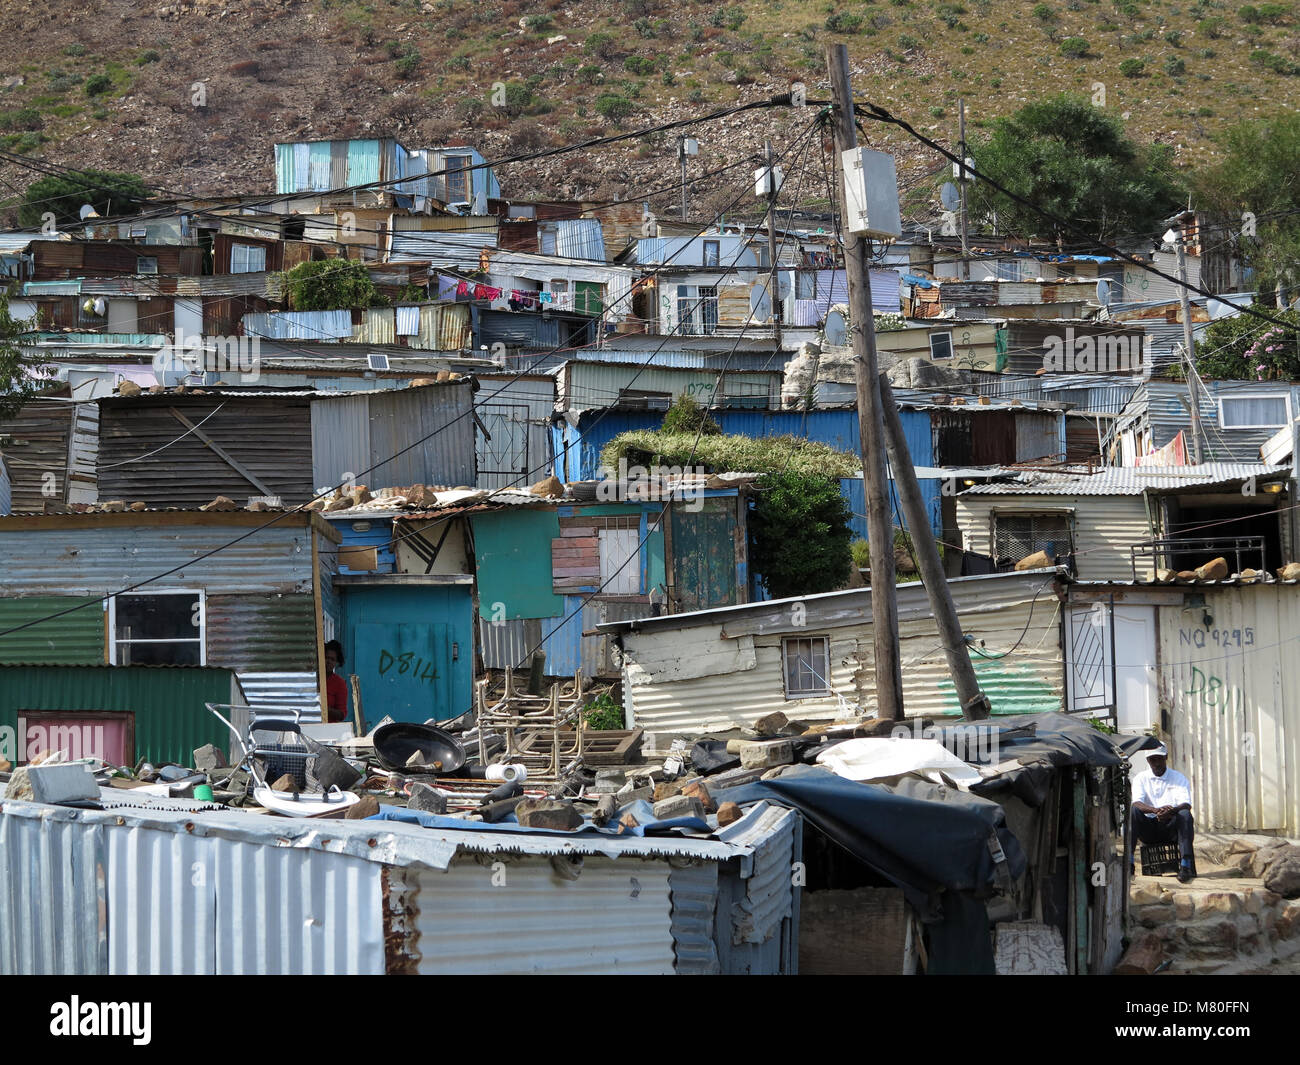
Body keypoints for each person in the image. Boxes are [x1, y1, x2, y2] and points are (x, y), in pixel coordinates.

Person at [1127, 744, 1195, 882]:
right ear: (1148, 761)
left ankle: (1186, 866)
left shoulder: (1178, 777)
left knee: (1185, 815)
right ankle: (1129, 862)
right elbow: (1137, 803)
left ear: (1166, 757)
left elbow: (1186, 804)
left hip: (1170, 828)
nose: (1156, 763)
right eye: (1153, 760)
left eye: (1159, 759)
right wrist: (1155, 810)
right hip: (1149, 830)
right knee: (1133, 812)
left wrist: (1171, 810)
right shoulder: (1141, 778)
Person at [323, 640, 349, 724]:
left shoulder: (339, 683)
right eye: (326, 657)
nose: (329, 661)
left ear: (336, 662)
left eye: (332, 659)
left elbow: (342, 714)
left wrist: (324, 709)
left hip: (329, 729)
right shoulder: (312, 678)